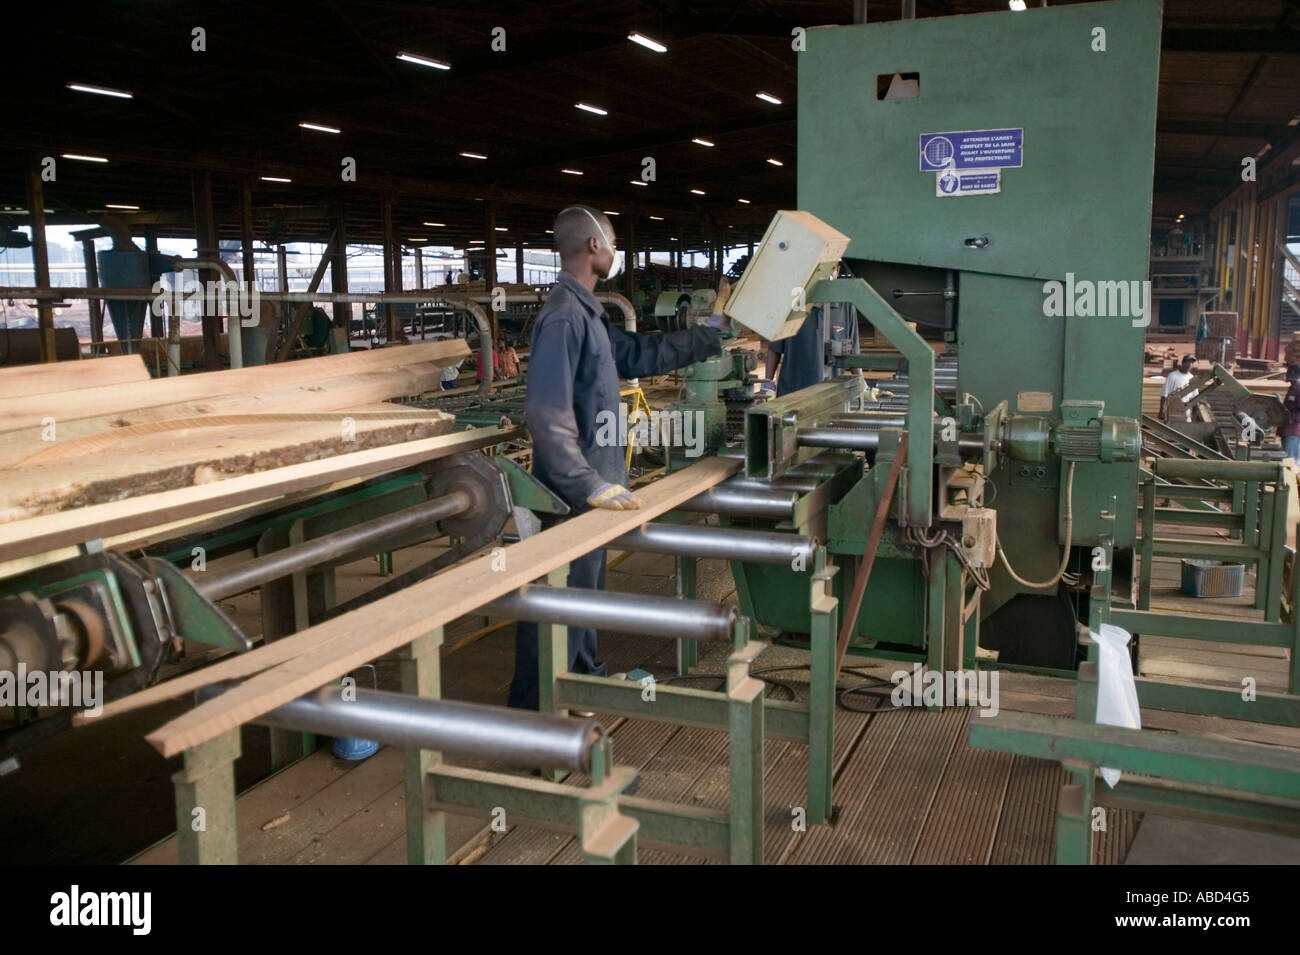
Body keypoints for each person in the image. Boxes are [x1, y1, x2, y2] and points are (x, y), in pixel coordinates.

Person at [507, 205, 725, 710]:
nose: (615, 251)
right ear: (591, 247)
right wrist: (586, 484)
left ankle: (581, 678)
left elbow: (638, 355)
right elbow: (545, 412)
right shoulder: (563, 317)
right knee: (558, 593)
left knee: (584, 589)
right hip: (569, 489)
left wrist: (708, 335)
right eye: (610, 241)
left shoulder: (586, 312)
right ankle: (538, 705)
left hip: (593, 479)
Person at [761, 262, 860, 397]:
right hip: (792, 393)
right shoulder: (792, 304)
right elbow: (775, 348)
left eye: (831, 269)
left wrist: (862, 386)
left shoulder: (846, 307)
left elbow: (853, 351)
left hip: (831, 396)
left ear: (837, 271)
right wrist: (767, 386)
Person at [1159, 353, 1197, 422]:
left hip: (1185, 415)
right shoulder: (1172, 376)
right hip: (1172, 413)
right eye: (1188, 362)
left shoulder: (1192, 378)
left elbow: (1195, 398)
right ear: (1183, 363)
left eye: (1191, 363)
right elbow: (1164, 395)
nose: (1190, 365)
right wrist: (1161, 411)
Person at [1283, 365, 1300, 462]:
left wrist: (1290, 419)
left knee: (1291, 461)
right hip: (1287, 430)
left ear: (1293, 373)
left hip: (1293, 431)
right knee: (1287, 459)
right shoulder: (1292, 388)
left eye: (1288, 373)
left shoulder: (1298, 389)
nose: (1286, 375)